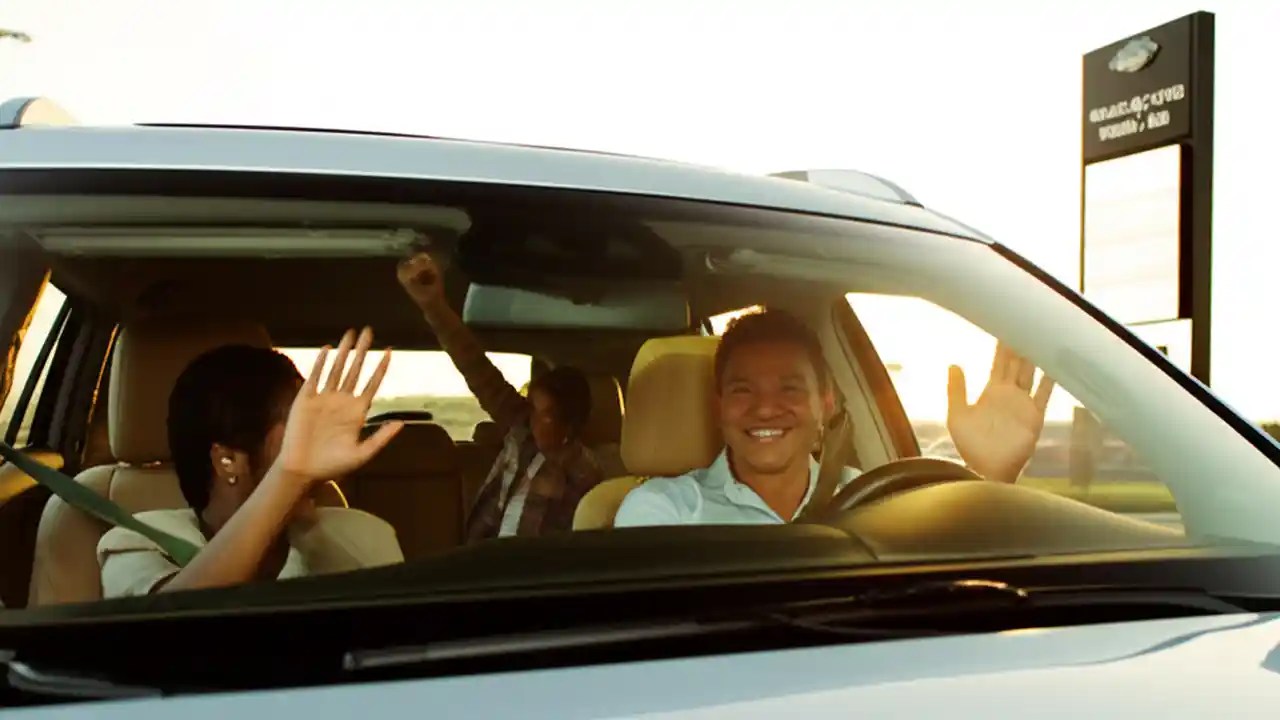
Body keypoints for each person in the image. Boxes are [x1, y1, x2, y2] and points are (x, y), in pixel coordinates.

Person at [614, 308, 1054, 527]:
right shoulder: (662, 513)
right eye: (742, 390)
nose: (765, 408)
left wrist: (993, 477)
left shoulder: (872, 503)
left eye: (789, 388)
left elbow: (949, 589)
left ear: (826, 403)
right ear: (719, 406)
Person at [97, 328, 406, 597]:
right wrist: (291, 474)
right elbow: (169, 629)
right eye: (298, 432)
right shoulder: (138, 541)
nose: (317, 454)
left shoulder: (364, 537)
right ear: (227, 460)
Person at [397, 253, 603, 540]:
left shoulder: (586, 471)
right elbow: (474, 366)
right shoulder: (520, 428)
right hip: (484, 559)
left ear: (570, 423)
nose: (534, 422)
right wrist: (433, 306)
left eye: (546, 414)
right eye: (533, 409)